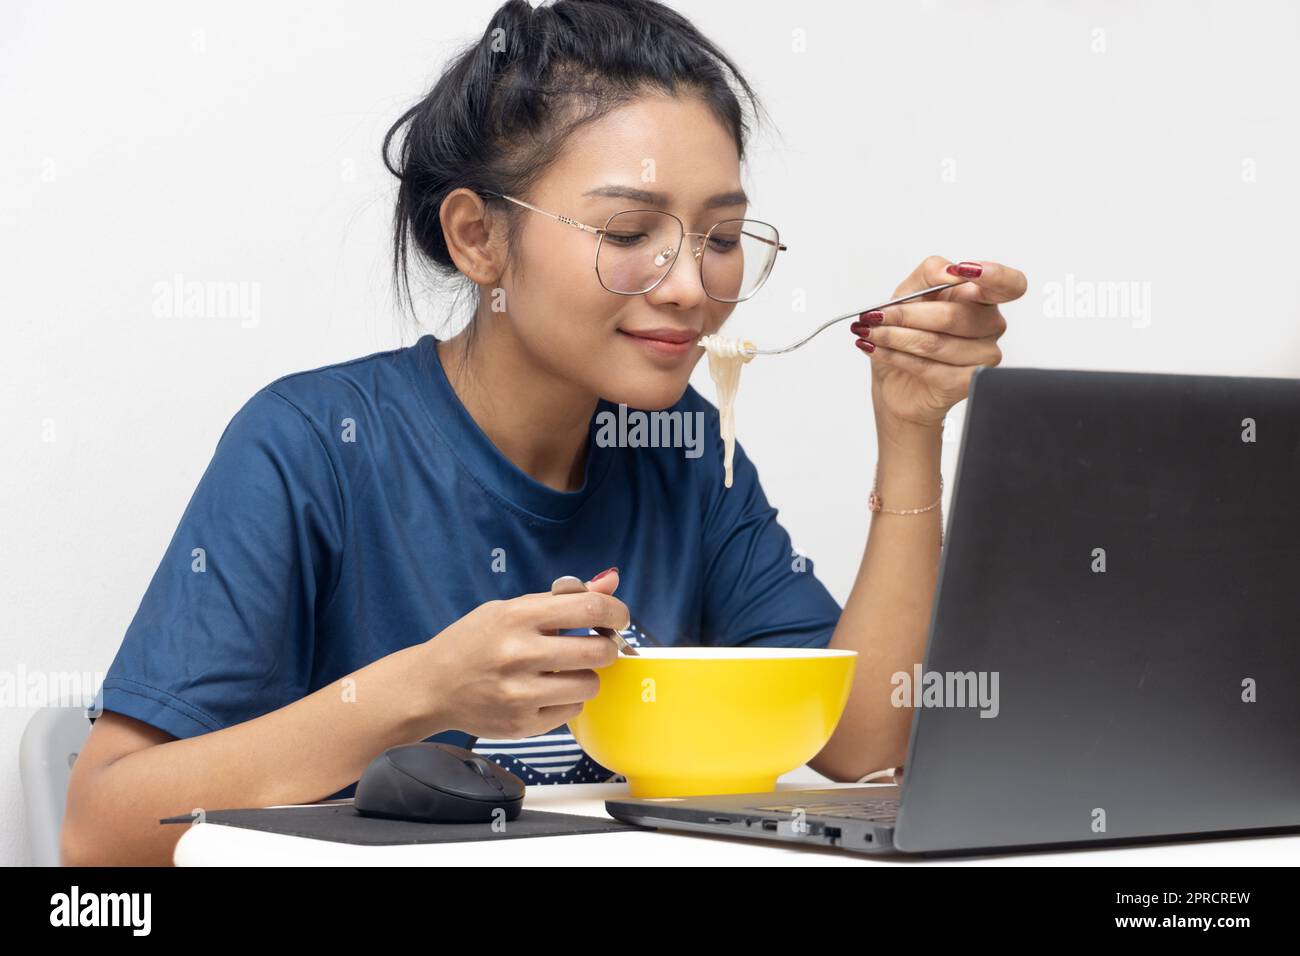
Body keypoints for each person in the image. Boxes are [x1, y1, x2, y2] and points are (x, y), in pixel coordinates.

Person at [62, 0, 1024, 865]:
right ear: (480, 238)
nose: (691, 286)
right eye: (625, 233)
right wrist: (424, 690)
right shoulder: (313, 443)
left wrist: (909, 426)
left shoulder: (687, 448)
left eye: (722, 239)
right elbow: (100, 831)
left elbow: (859, 745)